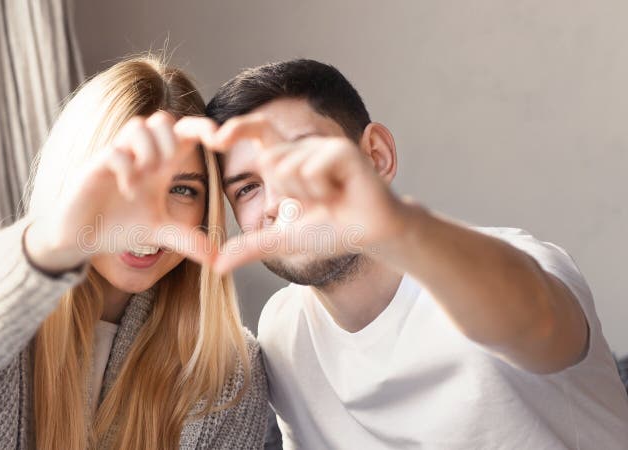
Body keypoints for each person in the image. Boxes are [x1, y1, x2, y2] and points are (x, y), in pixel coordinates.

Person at [205, 59, 628, 448]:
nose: (280, 199)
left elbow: (538, 325)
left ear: (376, 156)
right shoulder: (283, 330)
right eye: (248, 188)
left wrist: (396, 224)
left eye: (301, 162)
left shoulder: (518, 265)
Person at [0, 56, 268, 450]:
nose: (148, 215)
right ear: (75, 182)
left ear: (205, 209)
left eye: (183, 189)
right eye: (126, 181)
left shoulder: (227, 370)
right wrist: (56, 242)